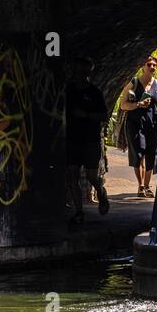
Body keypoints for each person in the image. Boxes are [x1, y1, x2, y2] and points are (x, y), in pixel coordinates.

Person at [65, 57, 109, 228]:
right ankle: (78, 212)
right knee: (71, 175)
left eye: (83, 72)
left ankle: (101, 192)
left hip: (90, 140)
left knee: (91, 176)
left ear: (88, 73)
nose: (79, 75)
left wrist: (86, 115)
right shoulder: (68, 90)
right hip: (72, 139)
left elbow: (104, 116)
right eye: (76, 72)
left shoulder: (95, 93)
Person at [120, 54, 157, 197]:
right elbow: (123, 105)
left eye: (154, 65)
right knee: (138, 152)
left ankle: (147, 186)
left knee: (151, 153)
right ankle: (141, 185)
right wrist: (138, 104)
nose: (152, 67)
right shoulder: (133, 83)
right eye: (149, 64)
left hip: (153, 122)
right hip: (135, 121)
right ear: (142, 66)